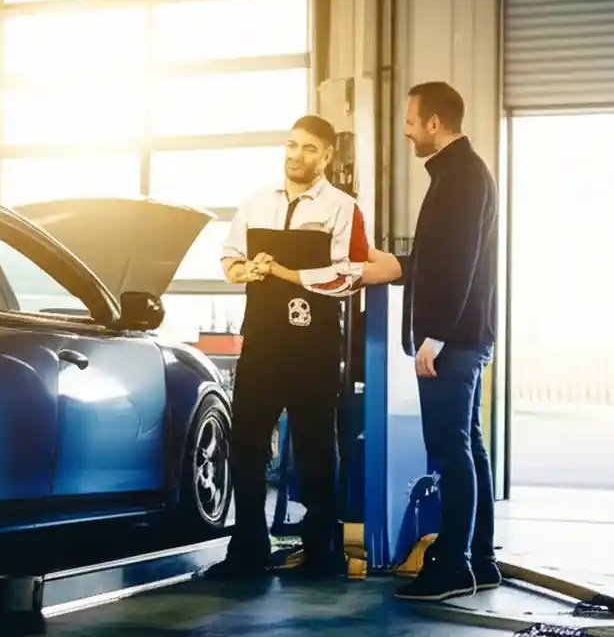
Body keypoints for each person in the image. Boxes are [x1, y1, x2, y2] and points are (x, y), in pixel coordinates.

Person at [207, 115, 400, 580]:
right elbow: (229, 258)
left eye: (309, 148)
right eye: (291, 145)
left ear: (327, 156)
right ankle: (247, 550)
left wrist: (282, 273)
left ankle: (322, 553)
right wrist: (245, 270)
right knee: (248, 446)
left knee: (317, 450)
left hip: (314, 345)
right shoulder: (255, 203)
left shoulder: (343, 208)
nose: (296, 155)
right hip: (262, 341)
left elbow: (345, 276)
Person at [393, 82, 500, 601]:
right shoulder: (461, 172)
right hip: (462, 334)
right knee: (468, 445)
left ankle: (455, 566)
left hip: (452, 339)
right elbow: (442, 259)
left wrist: (433, 336)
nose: (407, 128)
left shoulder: (460, 176)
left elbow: (458, 263)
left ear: (435, 123)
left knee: (449, 448)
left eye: (411, 119)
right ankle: (479, 556)